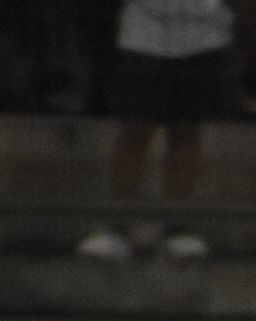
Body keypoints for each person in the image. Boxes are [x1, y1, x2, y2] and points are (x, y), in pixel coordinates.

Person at [77, 0, 235, 263]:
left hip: (205, 30)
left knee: (185, 128)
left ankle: (176, 225)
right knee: (135, 128)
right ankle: (118, 225)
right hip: (143, 27)